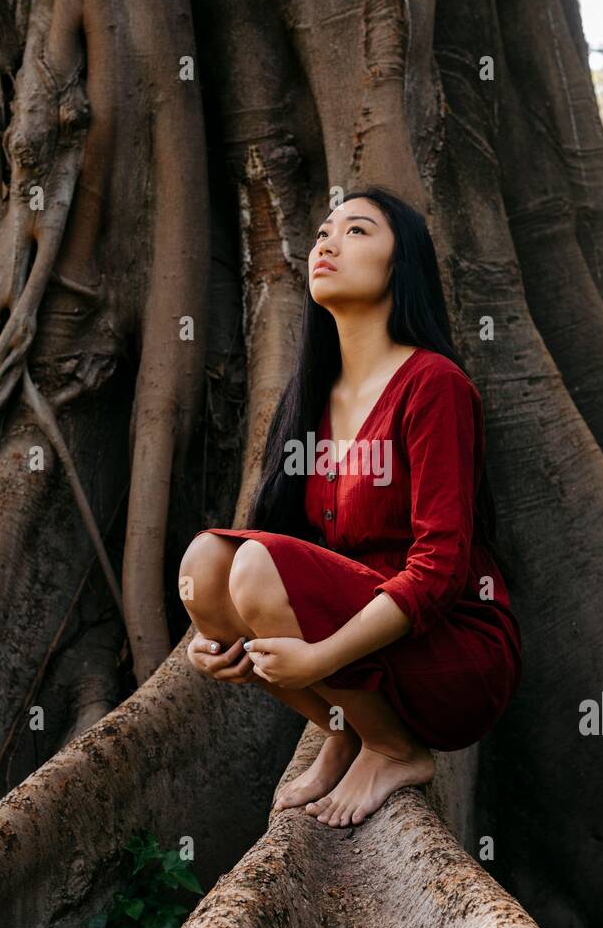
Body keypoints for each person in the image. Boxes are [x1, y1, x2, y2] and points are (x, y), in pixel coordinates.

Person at [178, 185, 522, 828]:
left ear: (403, 266)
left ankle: (393, 748)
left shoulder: (434, 385)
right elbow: (289, 552)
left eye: (358, 231)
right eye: (322, 233)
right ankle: (347, 726)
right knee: (207, 563)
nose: (328, 242)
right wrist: (222, 642)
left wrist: (323, 657)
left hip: (452, 649)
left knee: (254, 568)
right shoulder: (312, 394)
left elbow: (443, 567)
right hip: (365, 638)